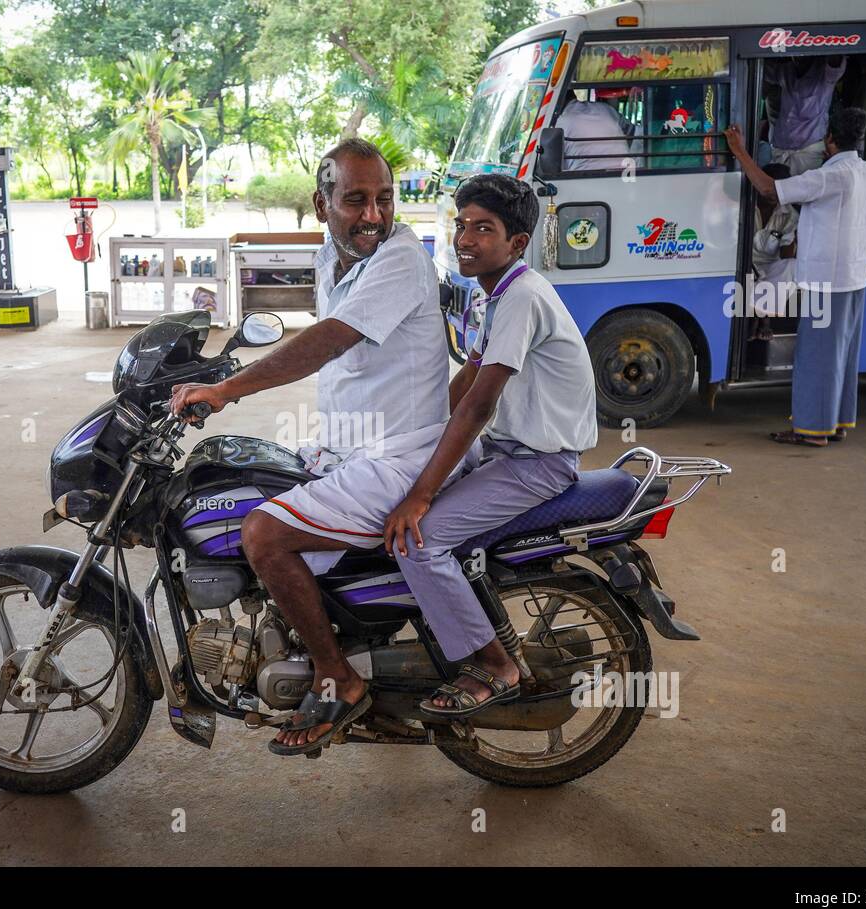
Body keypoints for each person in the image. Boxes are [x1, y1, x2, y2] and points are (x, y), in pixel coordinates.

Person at [169, 138, 472, 755]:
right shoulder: (331, 261)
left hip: (399, 456)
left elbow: (329, 341)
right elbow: (330, 343)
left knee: (264, 534)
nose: (373, 216)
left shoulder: (401, 259)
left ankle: (340, 677)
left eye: (384, 200)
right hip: (346, 447)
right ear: (321, 204)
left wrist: (227, 389)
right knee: (248, 482)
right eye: (356, 201)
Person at [382, 174, 597, 716]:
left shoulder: (522, 296)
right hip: (509, 451)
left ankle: (496, 666)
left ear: (517, 243)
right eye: (462, 226)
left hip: (538, 463)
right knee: (388, 489)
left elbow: (479, 403)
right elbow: (466, 379)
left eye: (483, 229)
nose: (465, 240)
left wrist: (421, 494)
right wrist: (410, 438)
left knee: (418, 539)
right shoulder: (497, 293)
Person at [726, 107, 866, 447]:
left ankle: (812, 430)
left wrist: (740, 152)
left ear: (829, 140)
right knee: (841, 352)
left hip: (827, 279)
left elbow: (769, 189)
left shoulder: (829, 176)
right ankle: (835, 422)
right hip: (855, 276)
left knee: (815, 355)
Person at [763, 56, 846, 175]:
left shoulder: (825, 75)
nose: (797, 58)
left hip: (808, 154)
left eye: (803, 55)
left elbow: (836, 60)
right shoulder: (787, 70)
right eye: (795, 55)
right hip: (780, 151)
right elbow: (764, 70)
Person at [750, 162, 798, 340]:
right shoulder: (746, 205)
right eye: (771, 188)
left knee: (791, 267)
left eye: (780, 189)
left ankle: (760, 316)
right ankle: (761, 319)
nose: (774, 194)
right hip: (746, 264)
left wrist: (795, 241)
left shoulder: (790, 215)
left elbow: (785, 257)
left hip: (771, 270)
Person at [557, 92, 641, 171]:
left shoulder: (561, 123)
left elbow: (553, 164)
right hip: (626, 174)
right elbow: (633, 133)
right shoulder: (606, 109)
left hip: (584, 179)